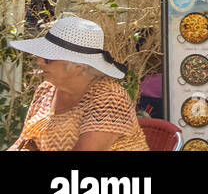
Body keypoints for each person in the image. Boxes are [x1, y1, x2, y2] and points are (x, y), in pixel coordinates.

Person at [7, 15, 147, 151]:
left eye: (47, 58)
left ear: (78, 65)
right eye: (39, 55)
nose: (39, 61)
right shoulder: (46, 90)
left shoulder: (110, 98)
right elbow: (24, 142)